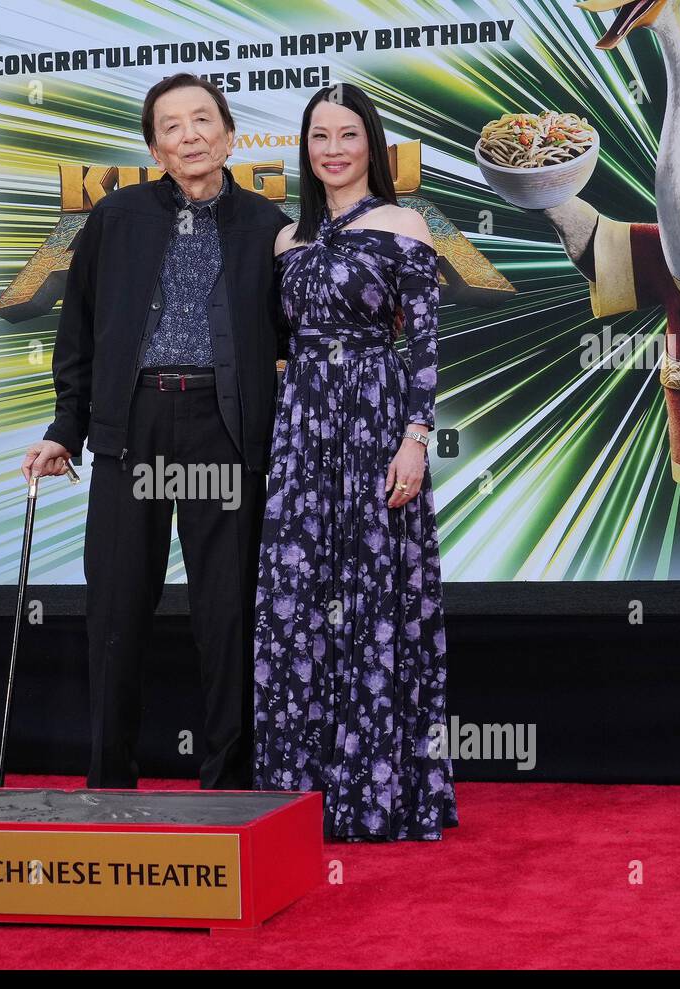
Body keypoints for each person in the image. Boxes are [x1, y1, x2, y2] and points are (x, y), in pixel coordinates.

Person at [22, 73, 290, 790]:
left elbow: (297, 338)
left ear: (231, 135)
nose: (190, 135)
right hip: (133, 426)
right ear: (153, 146)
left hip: (224, 428)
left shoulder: (270, 227)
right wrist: (64, 429)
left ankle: (229, 783)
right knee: (116, 604)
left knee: (227, 611)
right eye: (170, 126)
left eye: (204, 120)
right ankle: (109, 779)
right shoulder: (118, 217)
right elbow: (77, 332)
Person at [253, 83, 458, 840]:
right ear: (304, 150)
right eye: (318, 137)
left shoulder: (406, 224)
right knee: (297, 594)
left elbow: (427, 345)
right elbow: (275, 343)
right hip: (302, 426)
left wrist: (416, 437)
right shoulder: (286, 240)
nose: (332, 149)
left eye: (346, 134)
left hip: (376, 417)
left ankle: (377, 789)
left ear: (371, 143)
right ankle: (301, 792)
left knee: (373, 589)